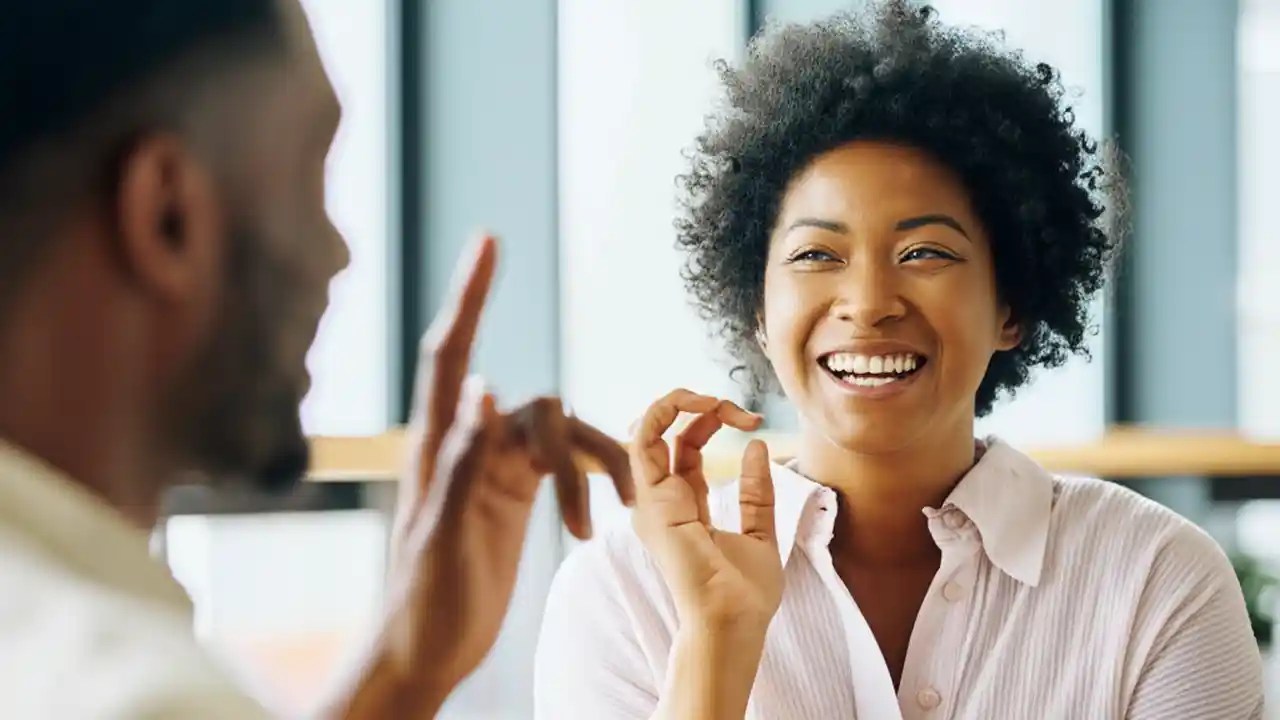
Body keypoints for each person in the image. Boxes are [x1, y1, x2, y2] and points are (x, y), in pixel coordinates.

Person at [534, 3, 1265, 719]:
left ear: (1010, 305)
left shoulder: (1156, 578)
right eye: (817, 254)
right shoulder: (624, 593)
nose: (869, 301)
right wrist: (717, 638)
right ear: (759, 313)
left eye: (925, 253)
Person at [0, 2, 632, 718]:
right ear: (166, 215)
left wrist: (402, 668)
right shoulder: (142, 693)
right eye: (310, 171)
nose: (338, 254)